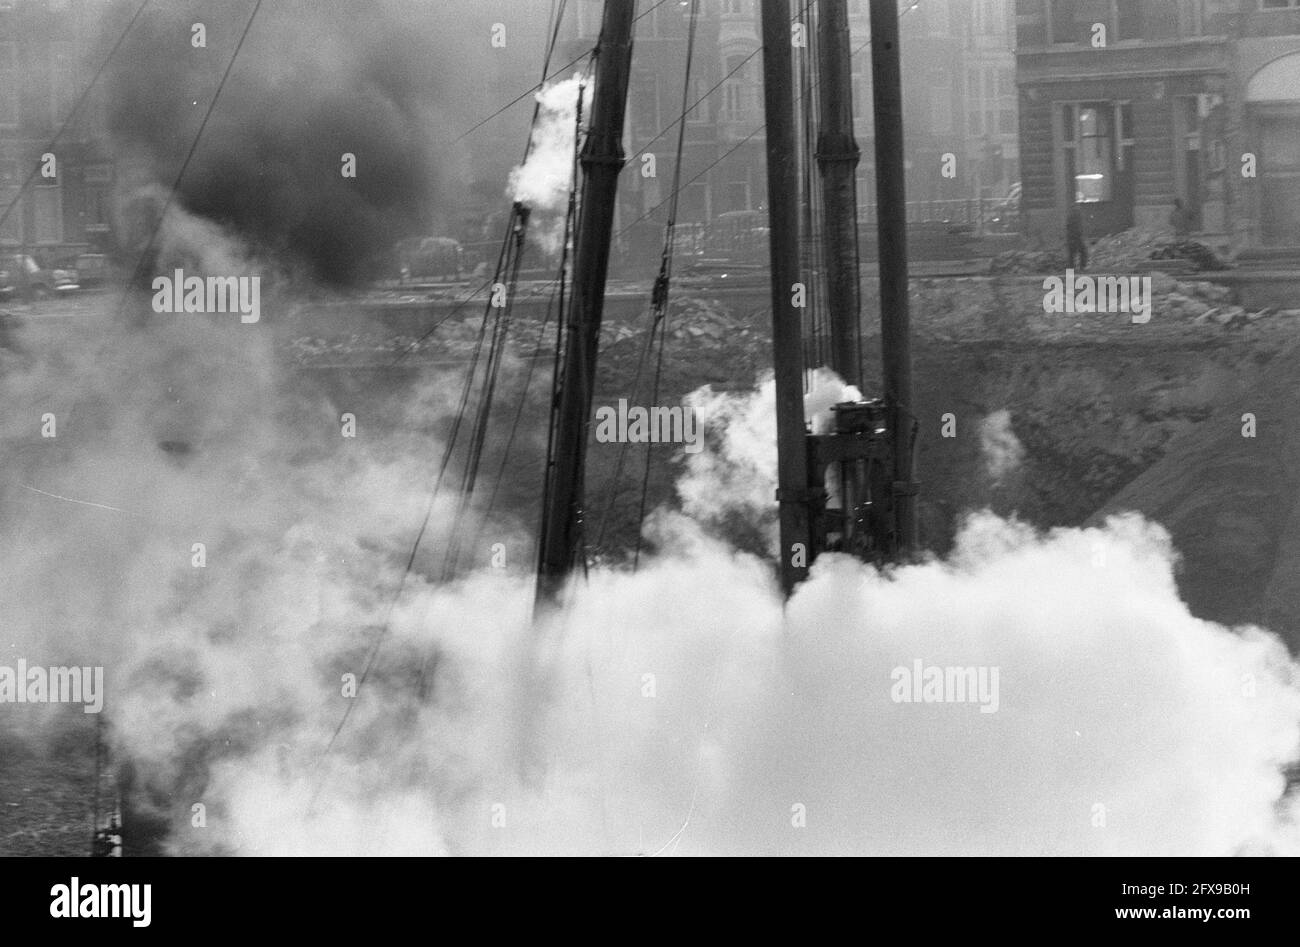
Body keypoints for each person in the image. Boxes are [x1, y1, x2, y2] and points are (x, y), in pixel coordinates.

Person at [1066, 201, 1088, 270]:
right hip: (1077, 236)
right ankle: (1082, 266)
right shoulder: (1077, 215)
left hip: (1071, 237)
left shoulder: (1070, 216)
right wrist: (1081, 234)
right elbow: (1079, 227)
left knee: (1072, 253)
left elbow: (1068, 226)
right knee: (1083, 251)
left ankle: (1071, 267)